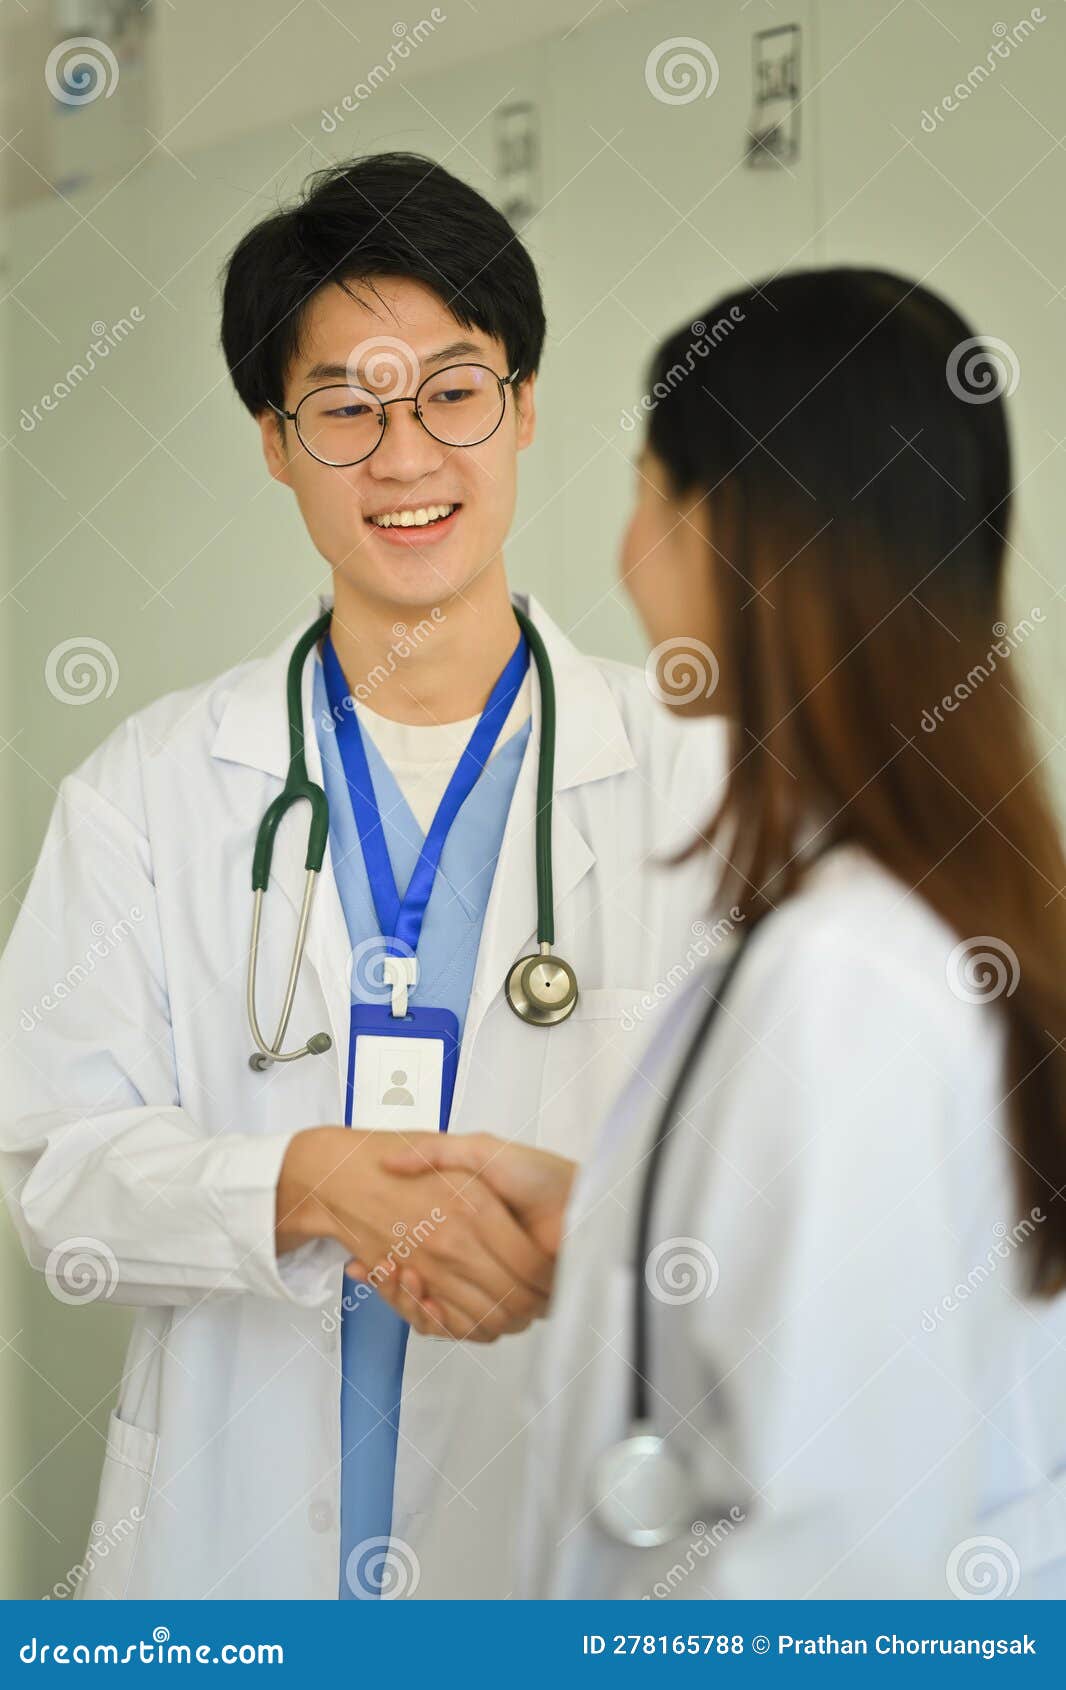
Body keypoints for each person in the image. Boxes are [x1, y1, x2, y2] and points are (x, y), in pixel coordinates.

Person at [0, 153, 723, 1600]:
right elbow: (52, 1175)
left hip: (567, 1539)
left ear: (521, 406)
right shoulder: (149, 790)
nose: (403, 458)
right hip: (235, 1558)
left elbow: (796, 1183)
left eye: (452, 393)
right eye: (343, 408)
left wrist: (601, 1228)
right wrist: (299, 1183)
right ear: (275, 440)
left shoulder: (699, 780)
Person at [366, 267, 1066, 1599]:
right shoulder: (916, 920)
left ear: (731, 531)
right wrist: (623, 1225)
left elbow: (829, 1557)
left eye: (646, 490)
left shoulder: (847, 979)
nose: (625, 546)